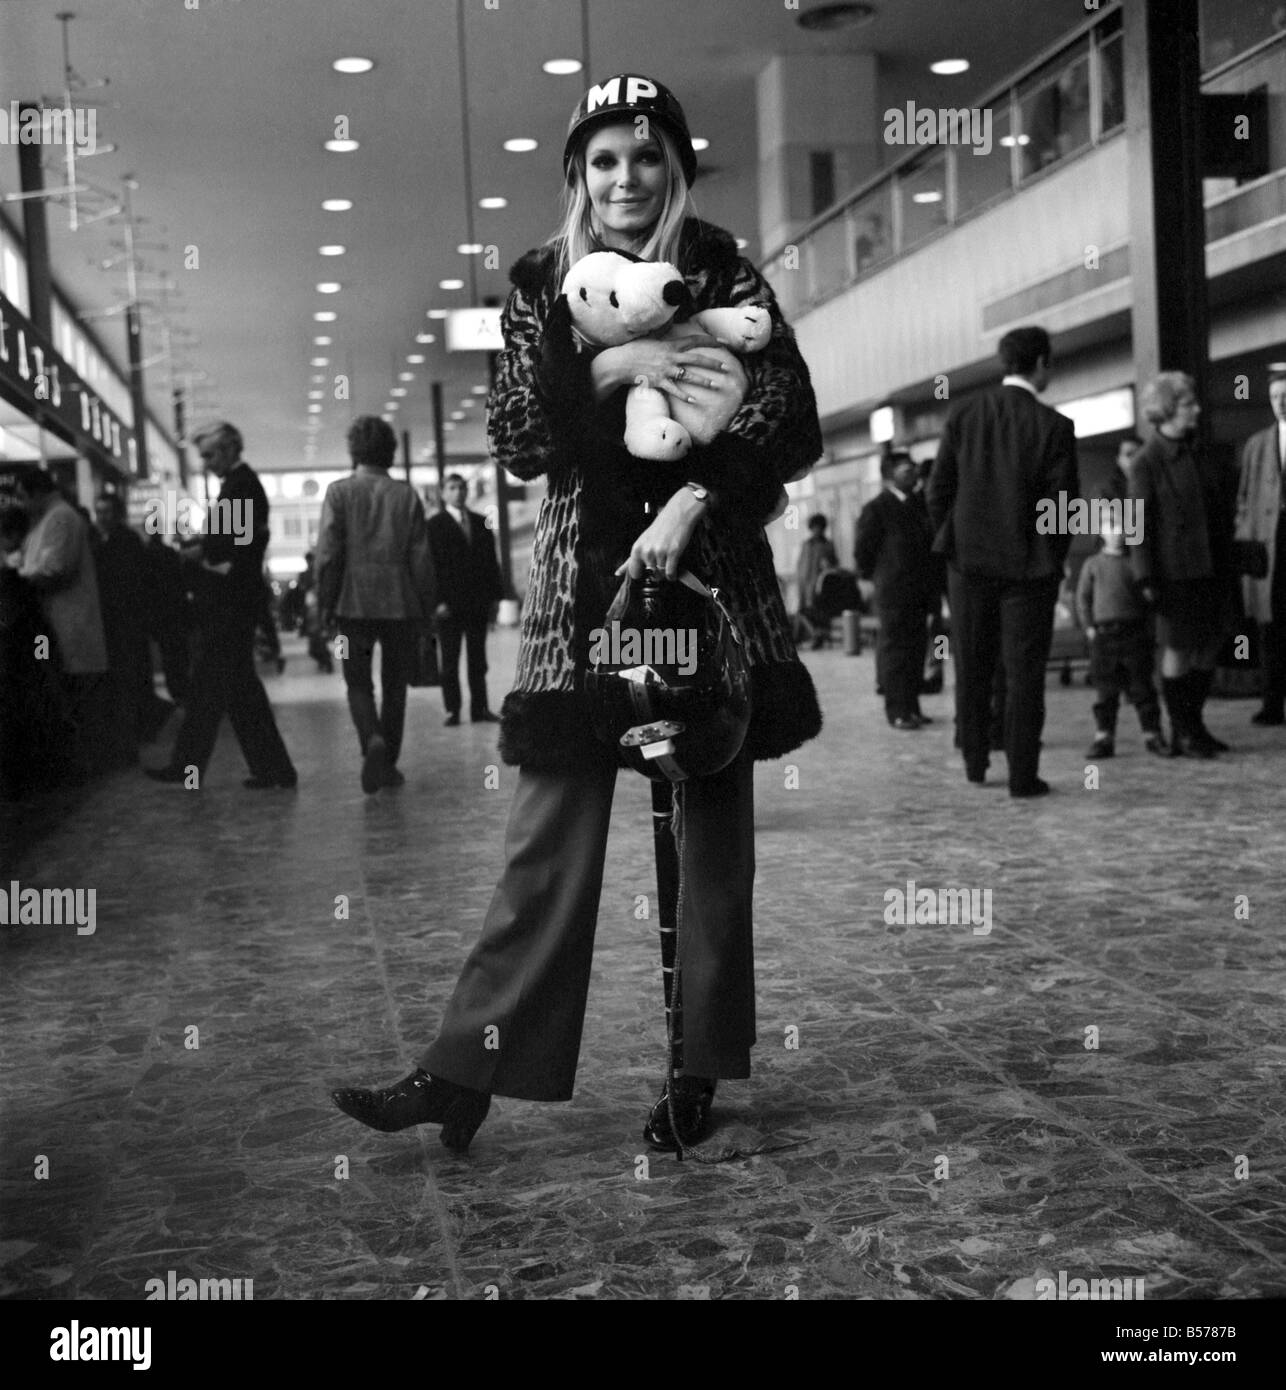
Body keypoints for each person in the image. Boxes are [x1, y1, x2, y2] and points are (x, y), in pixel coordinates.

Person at [332, 72, 822, 1154]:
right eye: (602, 159)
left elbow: (789, 417)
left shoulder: (723, 269)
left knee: (709, 833)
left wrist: (697, 499)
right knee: (544, 837)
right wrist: (616, 364)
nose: (625, 178)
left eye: (645, 156)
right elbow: (516, 433)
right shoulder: (539, 283)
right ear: (577, 176)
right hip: (578, 594)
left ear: (674, 166)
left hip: (707, 581)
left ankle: (697, 1066)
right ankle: (465, 1068)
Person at [927, 325, 1078, 796]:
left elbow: (938, 491)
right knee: (1024, 673)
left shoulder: (965, 413)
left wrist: (954, 542)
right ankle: (1022, 775)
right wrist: (1050, 558)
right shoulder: (1055, 426)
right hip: (1028, 572)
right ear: (1040, 364)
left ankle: (975, 763)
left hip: (968, 567)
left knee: (971, 665)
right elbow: (1063, 505)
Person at [146, 421, 297, 789]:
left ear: (231, 449)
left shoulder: (240, 486)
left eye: (210, 454)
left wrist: (200, 549)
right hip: (234, 601)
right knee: (231, 691)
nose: (206, 462)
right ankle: (269, 769)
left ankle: (194, 768)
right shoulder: (238, 485)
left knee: (214, 690)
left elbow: (235, 543)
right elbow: (235, 539)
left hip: (229, 603)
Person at [315, 415, 436, 792]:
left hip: (352, 608)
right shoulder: (406, 495)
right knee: (395, 685)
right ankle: (390, 763)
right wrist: (427, 608)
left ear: (354, 451)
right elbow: (421, 558)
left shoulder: (338, 493)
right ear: (390, 452)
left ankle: (372, 741)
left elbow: (328, 555)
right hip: (401, 606)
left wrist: (324, 604)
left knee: (357, 683)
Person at [1129, 373, 1237, 758]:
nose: (1197, 409)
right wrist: (1145, 577)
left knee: (1209, 645)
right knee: (1178, 647)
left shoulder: (1202, 452)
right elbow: (1137, 524)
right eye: (1189, 403)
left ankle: (1194, 725)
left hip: (1211, 567)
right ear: (1170, 409)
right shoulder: (1147, 461)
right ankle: (1182, 730)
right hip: (1173, 572)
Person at [7, 469, 109, 781]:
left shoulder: (60, 518)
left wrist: (17, 576)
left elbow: (53, 569)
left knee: (73, 696)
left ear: (36, 492)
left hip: (66, 623)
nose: (22, 504)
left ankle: (83, 765)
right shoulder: (50, 519)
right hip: (58, 624)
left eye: (24, 496)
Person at [854, 450, 941, 729]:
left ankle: (913, 706)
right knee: (896, 652)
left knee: (916, 649)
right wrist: (882, 577)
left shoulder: (918, 505)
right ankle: (897, 711)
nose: (914, 473)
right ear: (890, 475)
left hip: (920, 590)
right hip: (893, 592)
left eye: (914, 468)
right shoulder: (876, 509)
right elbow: (862, 553)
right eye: (906, 470)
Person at [1075, 521, 1164, 758]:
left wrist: (1148, 630)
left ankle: (1152, 735)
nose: (1117, 532)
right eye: (1111, 526)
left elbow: (1148, 603)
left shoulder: (1135, 563)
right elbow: (1082, 600)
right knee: (1106, 691)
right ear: (1100, 531)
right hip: (1104, 636)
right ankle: (1104, 737)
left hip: (1134, 634)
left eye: (1121, 527)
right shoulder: (1092, 565)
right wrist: (1089, 629)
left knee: (1142, 687)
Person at [426, 474, 503, 725]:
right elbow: (431, 567)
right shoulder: (434, 526)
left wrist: (495, 599)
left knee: (478, 661)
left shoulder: (482, 523)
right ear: (443, 493)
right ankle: (453, 710)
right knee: (449, 661)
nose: (458, 492)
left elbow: (492, 563)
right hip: (448, 605)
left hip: (477, 604)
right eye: (452, 488)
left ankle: (479, 708)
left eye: (462, 487)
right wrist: (436, 601)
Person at [1234, 369, 1286, 726]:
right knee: (1270, 626)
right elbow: (1244, 500)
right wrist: (1244, 544)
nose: (1281, 403)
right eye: (1275, 397)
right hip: (1270, 546)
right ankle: (1272, 702)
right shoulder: (1257, 445)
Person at [795, 513, 838, 649]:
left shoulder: (828, 545)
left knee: (815, 612)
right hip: (805, 584)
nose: (817, 530)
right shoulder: (806, 544)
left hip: (820, 586)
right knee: (802, 611)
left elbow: (834, 564)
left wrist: (829, 565)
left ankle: (817, 637)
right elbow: (801, 565)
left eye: (819, 527)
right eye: (814, 527)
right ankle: (812, 636)